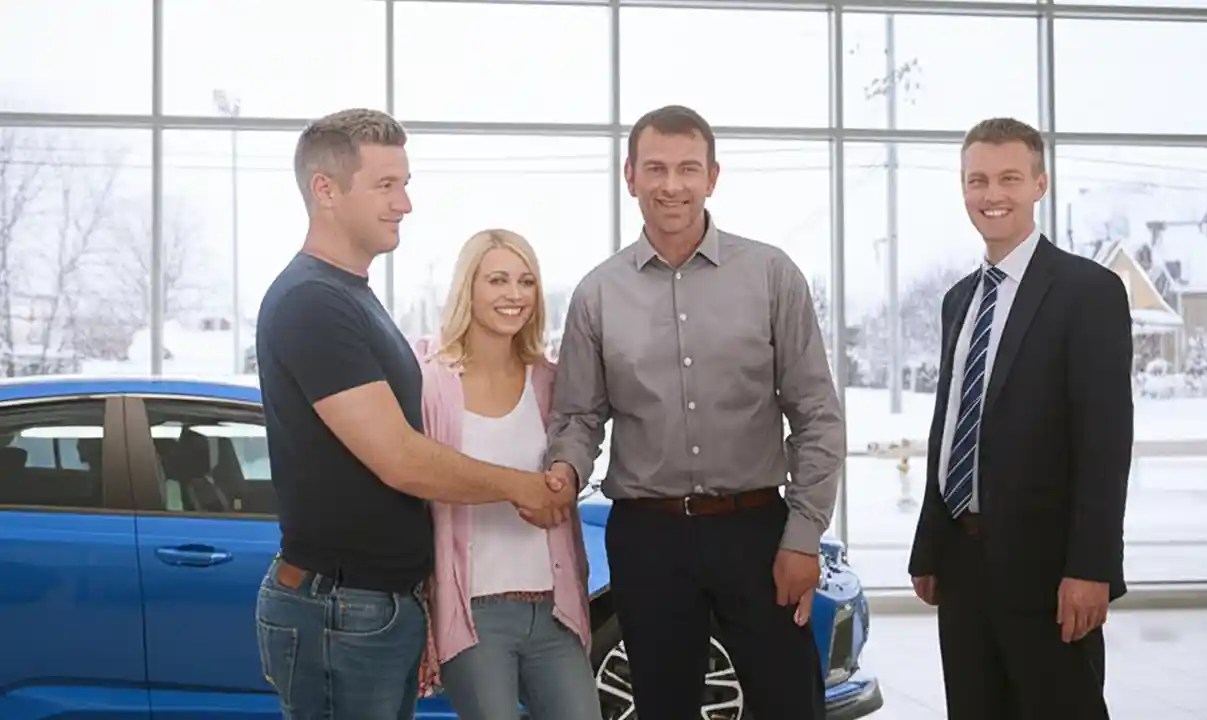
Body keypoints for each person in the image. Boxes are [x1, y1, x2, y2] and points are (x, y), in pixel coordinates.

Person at [253, 108, 575, 720]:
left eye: (405, 184)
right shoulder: (311, 302)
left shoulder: (351, 295)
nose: (405, 204)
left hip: (373, 608)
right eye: (386, 185)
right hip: (338, 609)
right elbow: (399, 458)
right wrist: (520, 488)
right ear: (325, 190)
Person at [545, 104, 845, 720]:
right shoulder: (598, 294)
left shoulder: (771, 275)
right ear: (629, 175)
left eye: (688, 168)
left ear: (713, 176)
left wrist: (803, 533)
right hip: (648, 537)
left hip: (757, 530)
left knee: (791, 703)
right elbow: (578, 417)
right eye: (655, 168)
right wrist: (565, 472)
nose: (671, 184)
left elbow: (815, 413)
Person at [907, 117, 1133, 720]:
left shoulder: (1090, 291)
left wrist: (1092, 569)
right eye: (977, 180)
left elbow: (1105, 444)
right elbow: (952, 426)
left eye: (1009, 177)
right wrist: (929, 548)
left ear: (1040, 184)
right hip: (963, 564)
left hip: (1050, 573)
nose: (992, 194)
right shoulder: (960, 299)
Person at [411, 229, 601, 720]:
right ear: (468, 287)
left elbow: (576, 456)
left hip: (555, 611)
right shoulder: (428, 378)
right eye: (497, 280)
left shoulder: (552, 381)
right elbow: (414, 486)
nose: (514, 295)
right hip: (474, 616)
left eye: (526, 282)